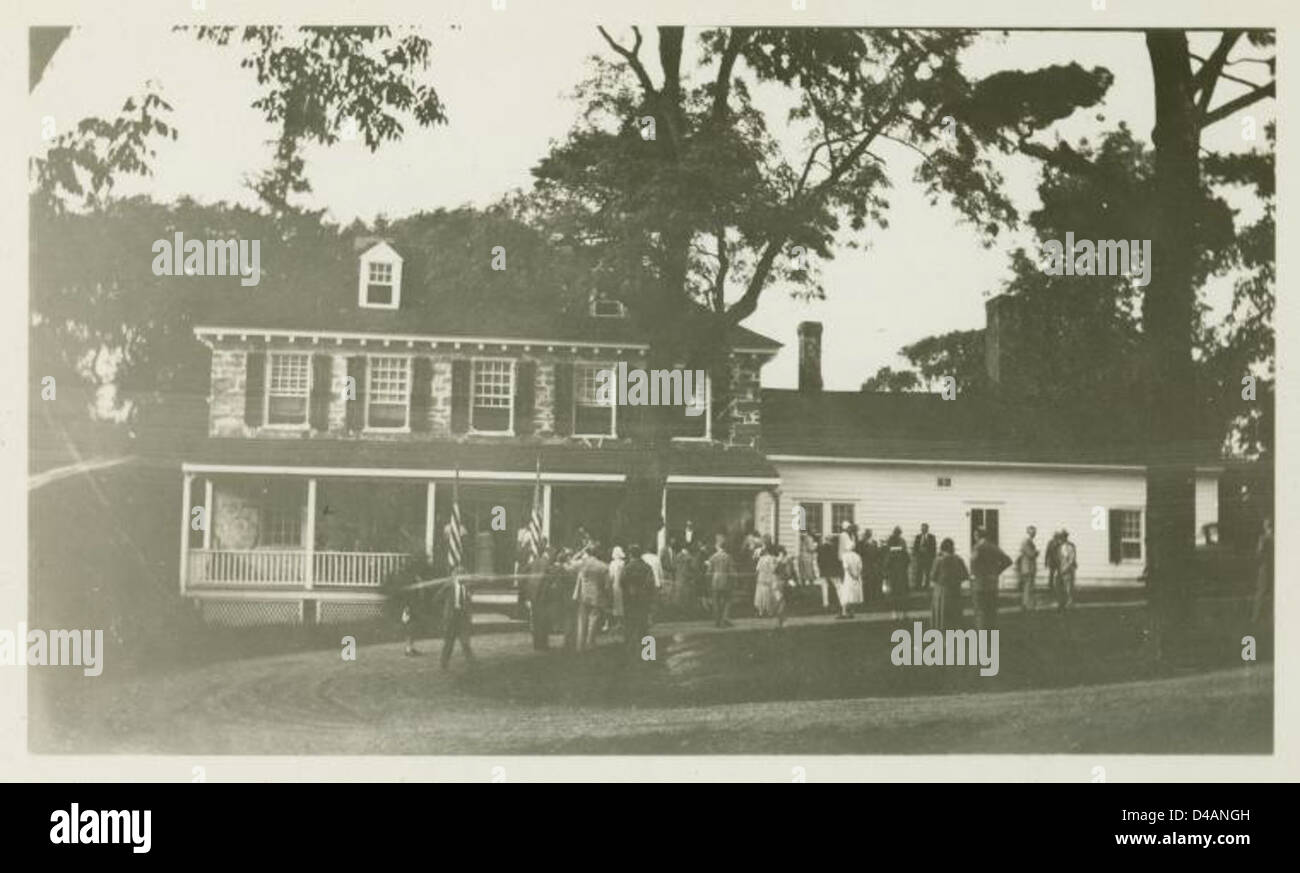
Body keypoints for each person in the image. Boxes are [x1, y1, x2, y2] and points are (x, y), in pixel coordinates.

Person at [969, 527, 1011, 631]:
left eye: (975, 535)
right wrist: (997, 572)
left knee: (980, 611)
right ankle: (991, 635)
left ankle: (981, 636)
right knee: (991, 611)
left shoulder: (977, 547)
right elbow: (1008, 560)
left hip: (979, 584)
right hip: (992, 583)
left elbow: (973, 564)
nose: (974, 537)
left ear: (978, 536)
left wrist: (974, 575)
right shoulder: (994, 547)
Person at [573, 544, 610, 651]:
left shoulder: (582, 563)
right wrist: (607, 596)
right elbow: (607, 585)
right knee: (593, 620)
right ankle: (590, 643)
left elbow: (569, 563)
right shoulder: (603, 566)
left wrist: (580, 551)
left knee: (582, 620)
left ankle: (580, 645)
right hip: (597, 595)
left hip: (583, 595)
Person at [621, 545, 656, 657]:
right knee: (643, 625)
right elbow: (651, 584)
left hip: (630, 600)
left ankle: (629, 651)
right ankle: (647, 653)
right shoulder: (647, 567)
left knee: (630, 625)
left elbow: (622, 582)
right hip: (643, 599)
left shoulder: (627, 567)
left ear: (631, 554)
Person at [930, 537, 969, 629]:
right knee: (955, 613)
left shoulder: (938, 560)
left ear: (942, 548)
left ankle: (941, 631)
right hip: (955, 590)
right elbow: (965, 575)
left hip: (942, 591)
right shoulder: (959, 560)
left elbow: (932, 576)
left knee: (942, 614)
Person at [439, 573, 475, 670]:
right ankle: (444, 662)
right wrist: (445, 612)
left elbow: (469, 602)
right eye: (460, 575)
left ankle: (472, 662)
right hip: (452, 617)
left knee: (465, 641)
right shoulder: (449, 586)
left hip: (462, 617)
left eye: (464, 575)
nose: (463, 578)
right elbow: (438, 596)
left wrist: (469, 616)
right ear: (456, 576)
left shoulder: (467, 587)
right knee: (449, 642)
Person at [707, 536, 735, 628]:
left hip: (715, 580)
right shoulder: (728, 557)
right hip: (725, 580)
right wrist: (733, 580)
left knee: (716, 601)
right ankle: (724, 619)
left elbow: (709, 571)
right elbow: (731, 571)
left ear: (717, 546)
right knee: (727, 600)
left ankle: (717, 621)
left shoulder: (713, 557)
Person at [885, 526, 910, 619]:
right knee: (898, 594)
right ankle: (898, 613)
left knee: (899, 594)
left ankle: (901, 613)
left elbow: (907, 559)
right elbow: (907, 560)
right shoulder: (892, 543)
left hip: (899, 574)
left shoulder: (901, 544)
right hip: (897, 574)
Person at [1252, 517, 1273, 624]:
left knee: (1260, 592)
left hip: (1265, 567)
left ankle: (1256, 617)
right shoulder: (1275, 537)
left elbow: (1258, 554)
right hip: (1273, 566)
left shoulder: (1263, 538)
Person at [837, 542, 864, 619]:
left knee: (845, 594)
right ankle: (852, 612)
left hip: (848, 577)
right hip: (857, 577)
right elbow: (860, 567)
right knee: (854, 594)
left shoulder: (845, 556)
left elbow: (846, 567)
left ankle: (844, 612)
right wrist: (856, 575)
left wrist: (852, 575)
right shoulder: (857, 556)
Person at [816, 533, 842, 613]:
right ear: (831, 540)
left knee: (824, 587)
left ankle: (825, 604)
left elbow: (819, 560)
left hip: (824, 570)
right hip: (833, 570)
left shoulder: (821, 548)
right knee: (838, 587)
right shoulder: (835, 548)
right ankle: (842, 601)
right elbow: (837, 560)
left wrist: (821, 568)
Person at [1054, 529, 1078, 613]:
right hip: (1060, 569)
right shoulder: (1059, 547)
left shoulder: (1070, 547)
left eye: (1064, 536)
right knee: (1059, 586)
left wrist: (1066, 568)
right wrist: (1058, 569)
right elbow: (1057, 559)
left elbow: (1071, 559)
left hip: (1068, 570)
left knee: (1068, 587)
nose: (1062, 538)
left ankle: (1069, 603)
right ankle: (1061, 603)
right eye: (1061, 537)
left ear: (1066, 537)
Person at [754, 544, 781, 618]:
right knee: (768, 594)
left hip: (761, 578)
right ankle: (769, 612)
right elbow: (773, 569)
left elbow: (757, 570)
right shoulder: (771, 559)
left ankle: (761, 611)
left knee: (760, 594)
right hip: (768, 578)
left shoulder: (761, 559)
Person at [1017, 525, 1039, 612]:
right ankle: (1027, 605)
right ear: (1029, 532)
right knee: (1028, 587)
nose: (1034, 534)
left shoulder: (1028, 541)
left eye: (1034, 532)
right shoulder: (1026, 541)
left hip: (1028, 567)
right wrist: (1036, 553)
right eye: (1033, 532)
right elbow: (1030, 554)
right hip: (1028, 567)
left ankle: (1027, 605)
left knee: (1028, 587)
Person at [913, 523, 937, 589]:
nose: (923, 529)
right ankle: (918, 586)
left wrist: (932, 557)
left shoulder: (932, 537)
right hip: (920, 558)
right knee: (919, 572)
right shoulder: (918, 537)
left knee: (927, 573)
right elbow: (915, 547)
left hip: (928, 558)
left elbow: (934, 548)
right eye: (922, 528)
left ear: (927, 529)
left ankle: (926, 586)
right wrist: (917, 554)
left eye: (925, 528)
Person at [608, 545, 627, 631]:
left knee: (616, 603)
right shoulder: (623, 563)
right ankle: (622, 622)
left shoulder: (612, 563)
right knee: (622, 602)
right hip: (622, 585)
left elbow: (611, 576)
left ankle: (618, 622)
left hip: (615, 585)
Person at [1044, 529, 1063, 594]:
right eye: (1056, 536)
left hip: (1059, 562)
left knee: (1059, 575)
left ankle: (1059, 587)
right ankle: (1050, 587)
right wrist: (1046, 562)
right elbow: (1047, 552)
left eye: (1057, 536)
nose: (1056, 537)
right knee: (1051, 574)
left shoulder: (1060, 543)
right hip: (1052, 562)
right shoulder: (1050, 543)